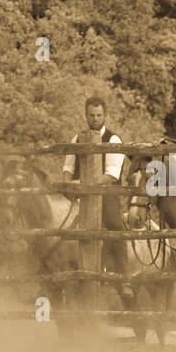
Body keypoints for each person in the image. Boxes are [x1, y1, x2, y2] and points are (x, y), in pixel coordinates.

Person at [61, 97, 132, 300]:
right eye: (91, 115)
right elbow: (67, 168)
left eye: (99, 115)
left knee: (115, 226)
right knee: (59, 228)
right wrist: (68, 185)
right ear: (85, 115)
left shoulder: (113, 140)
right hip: (81, 195)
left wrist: (85, 186)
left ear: (104, 115)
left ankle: (124, 276)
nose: (95, 118)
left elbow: (111, 175)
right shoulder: (77, 139)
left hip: (106, 195)